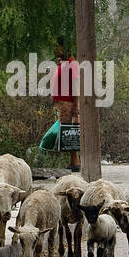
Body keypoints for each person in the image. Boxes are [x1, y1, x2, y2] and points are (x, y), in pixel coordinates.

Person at [50, 39, 81, 171]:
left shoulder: (72, 63)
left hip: (68, 103)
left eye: (57, 47)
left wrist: (76, 105)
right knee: (67, 130)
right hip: (62, 103)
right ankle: (73, 161)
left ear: (64, 48)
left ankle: (76, 161)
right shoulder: (62, 63)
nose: (54, 50)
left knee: (70, 130)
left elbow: (75, 84)